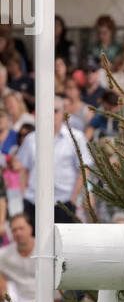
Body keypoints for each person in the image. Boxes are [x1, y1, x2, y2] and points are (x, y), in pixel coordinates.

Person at [13, 96, 92, 227]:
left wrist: (73, 199)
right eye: (48, 110)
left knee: (63, 246)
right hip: (34, 202)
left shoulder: (75, 137)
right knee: (36, 245)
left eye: (55, 110)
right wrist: (24, 194)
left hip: (64, 202)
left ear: (63, 112)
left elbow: (84, 170)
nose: (52, 114)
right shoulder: (31, 139)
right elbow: (23, 169)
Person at [0, 212, 37, 302]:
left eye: (21, 228)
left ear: (30, 228)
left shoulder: (46, 249)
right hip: (19, 301)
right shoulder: (5, 254)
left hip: (47, 298)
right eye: (14, 230)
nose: (18, 233)